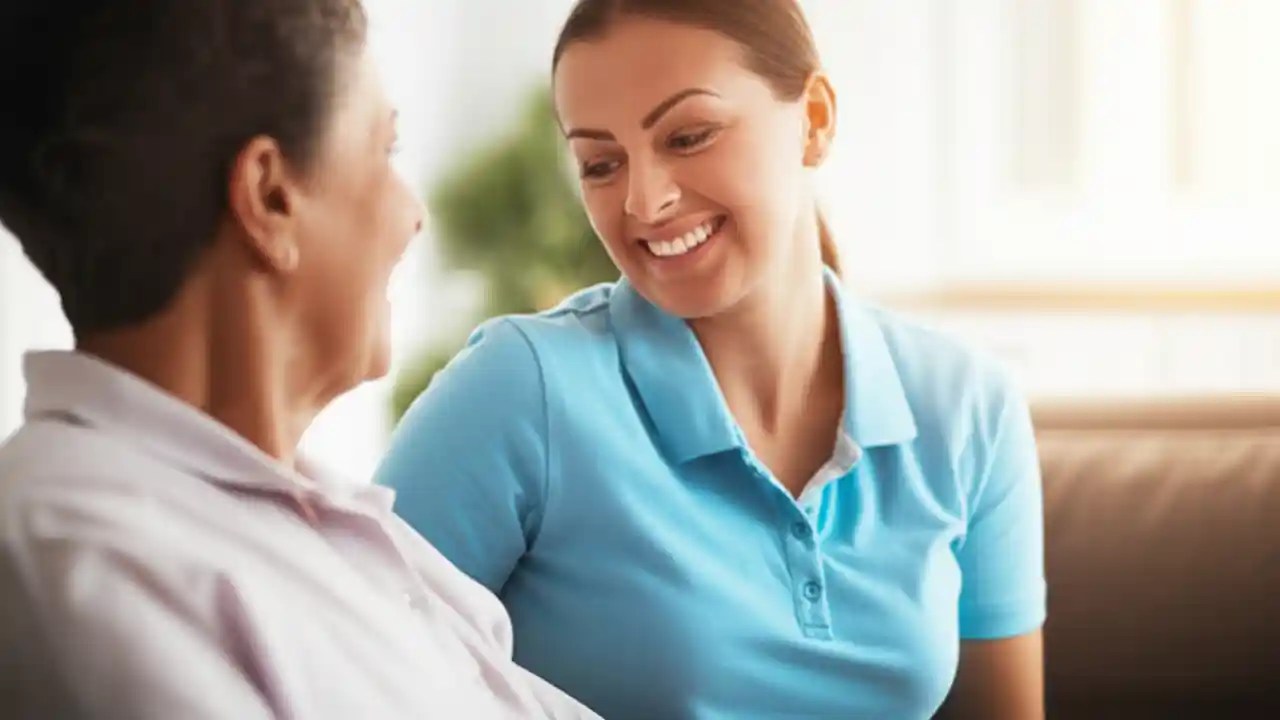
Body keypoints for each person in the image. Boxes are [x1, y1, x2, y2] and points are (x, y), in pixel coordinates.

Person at [378, 0, 1047, 718]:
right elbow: (330, 664)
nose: (644, 200)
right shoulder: (520, 392)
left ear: (814, 119)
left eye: (689, 136)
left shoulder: (968, 406)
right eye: (601, 163)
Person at [0, 2, 601, 718]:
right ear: (270, 197)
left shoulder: (337, 521)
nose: (412, 214)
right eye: (385, 151)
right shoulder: (79, 555)